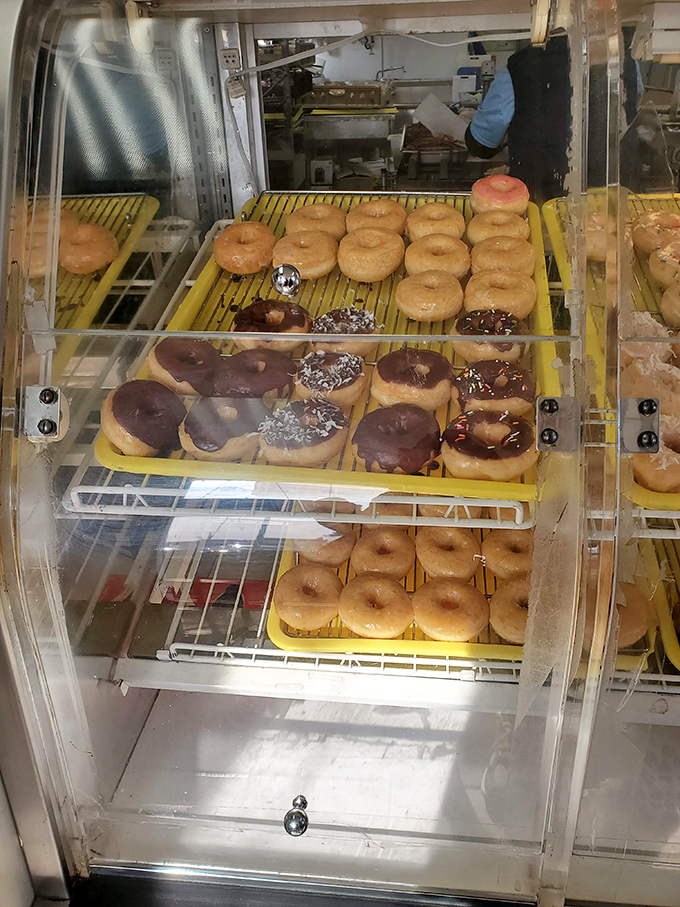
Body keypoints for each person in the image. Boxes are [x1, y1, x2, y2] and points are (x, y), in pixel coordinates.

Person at [464, 34, 571, 202]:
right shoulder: (617, 57)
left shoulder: (520, 69)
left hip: (536, 200)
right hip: (606, 202)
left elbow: (481, 144)